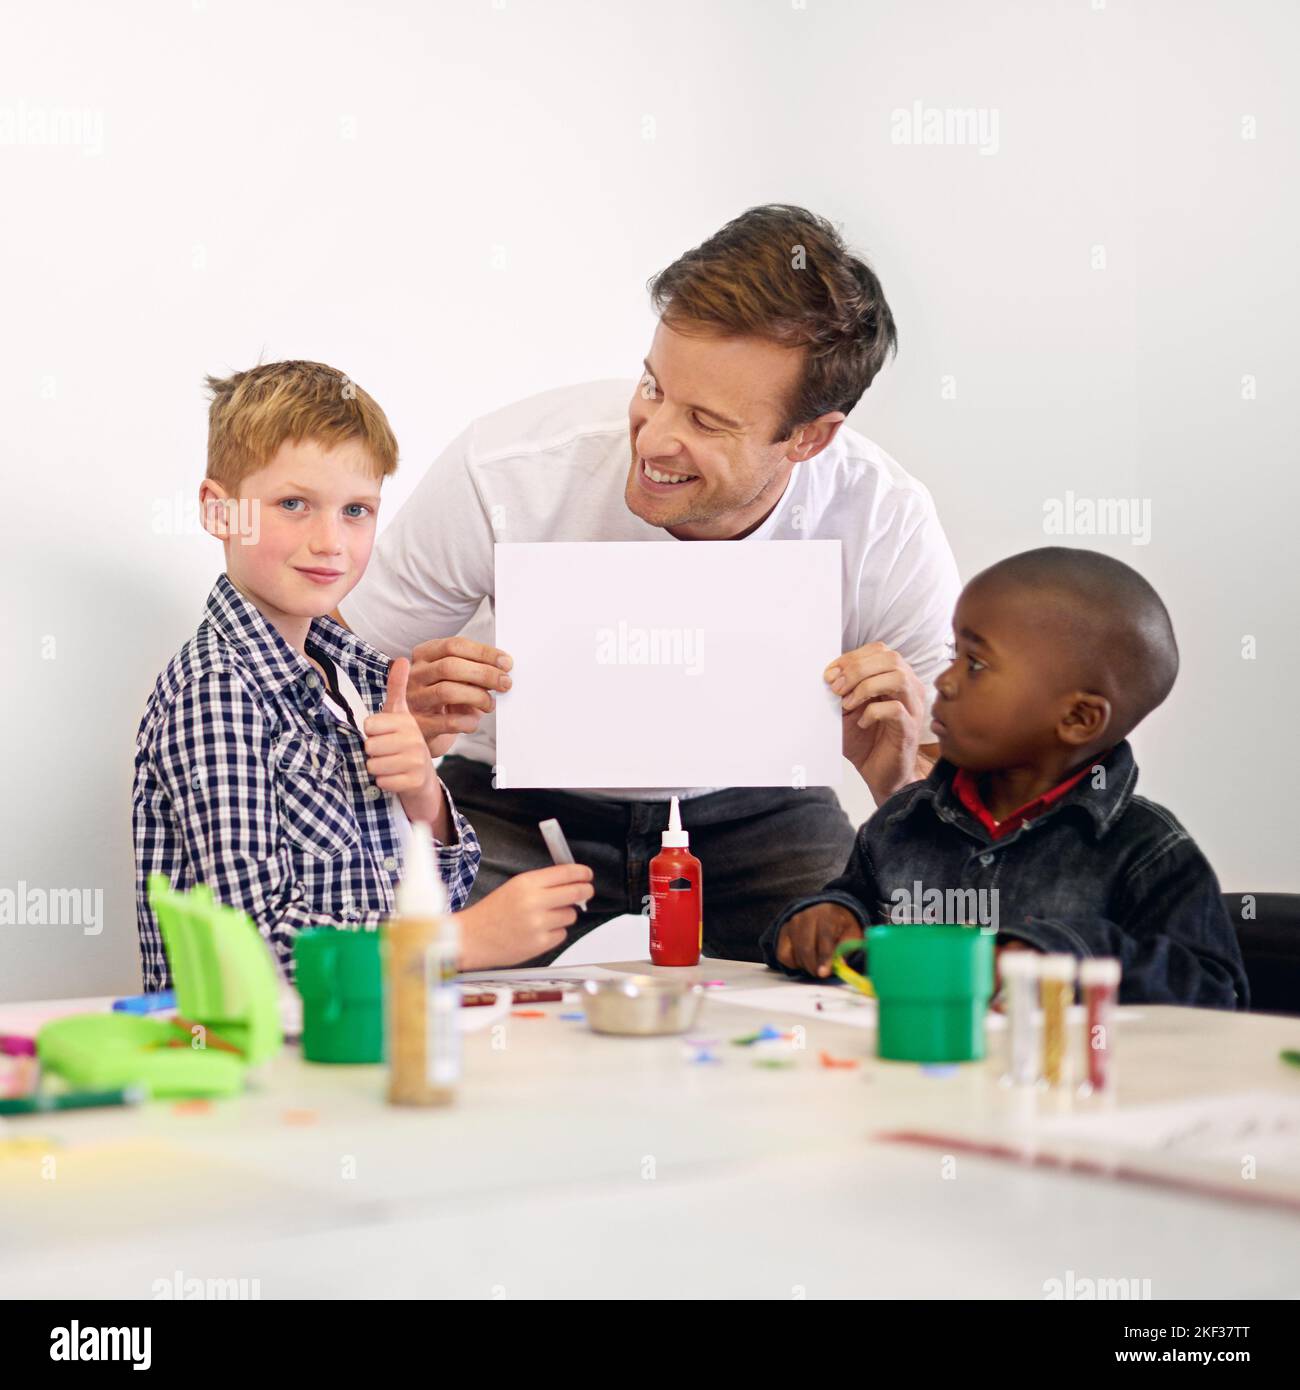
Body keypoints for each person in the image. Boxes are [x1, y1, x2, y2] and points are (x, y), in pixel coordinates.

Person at [337, 205, 961, 963]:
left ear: (808, 437)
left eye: (706, 420)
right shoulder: (510, 470)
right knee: (397, 963)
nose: (656, 437)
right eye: (653, 385)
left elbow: (957, 802)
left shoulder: (884, 519)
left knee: (871, 963)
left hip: (763, 814)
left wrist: (893, 772)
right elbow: (328, 675)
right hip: (509, 806)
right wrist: (403, 710)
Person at [133, 360, 592, 989]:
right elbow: (253, 948)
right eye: (293, 504)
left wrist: (423, 798)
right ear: (220, 512)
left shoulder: (356, 681)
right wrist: (463, 942)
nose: (331, 541)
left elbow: (432, 893)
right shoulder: (218, 690)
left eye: (356, 510)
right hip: (256, 1064)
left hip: (362, 1040)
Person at [761, 547, 1249, 1008]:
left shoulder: (1148, 851)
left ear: (1078, 718)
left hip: (1065, 1091)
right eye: (953, 657)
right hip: (911, 1085)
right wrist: (824, 917)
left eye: (976, 664)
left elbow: (1215, 993)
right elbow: (857, 921)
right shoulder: (902, 823)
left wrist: (1063, 959)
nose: (945, 681)